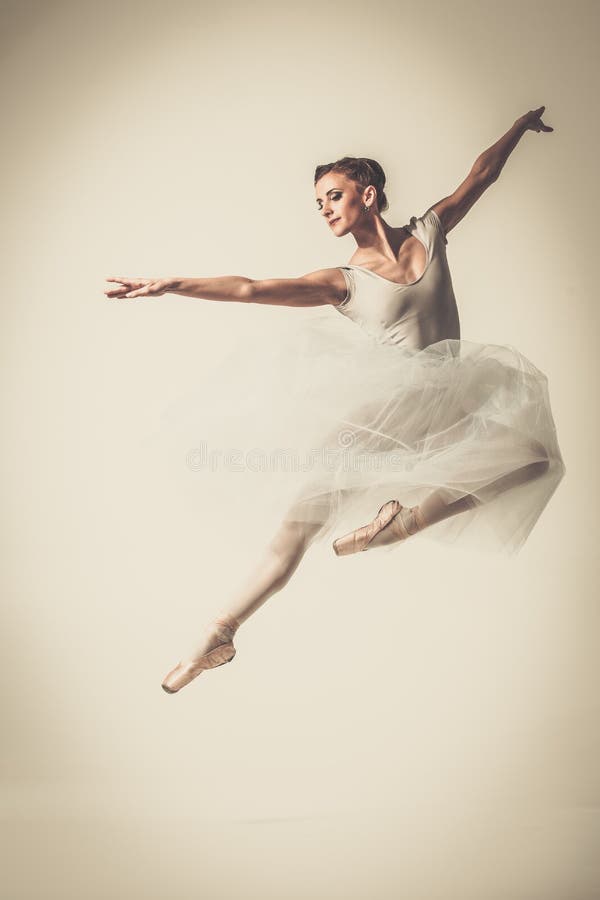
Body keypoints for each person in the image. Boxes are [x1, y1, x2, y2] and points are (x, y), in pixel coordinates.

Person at [104, 104, 565, 695]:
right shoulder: (342, 281)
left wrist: (518, 128)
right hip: (383, 413)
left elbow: (481, 175)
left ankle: (400, 525)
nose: (324, 208)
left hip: (452, 403)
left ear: (368, 196)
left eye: (333, 196)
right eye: (318, 201)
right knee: (298, 528)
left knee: (534, 458)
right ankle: (217, 633)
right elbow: (250, 288)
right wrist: (171, 284)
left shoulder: (429, 232)